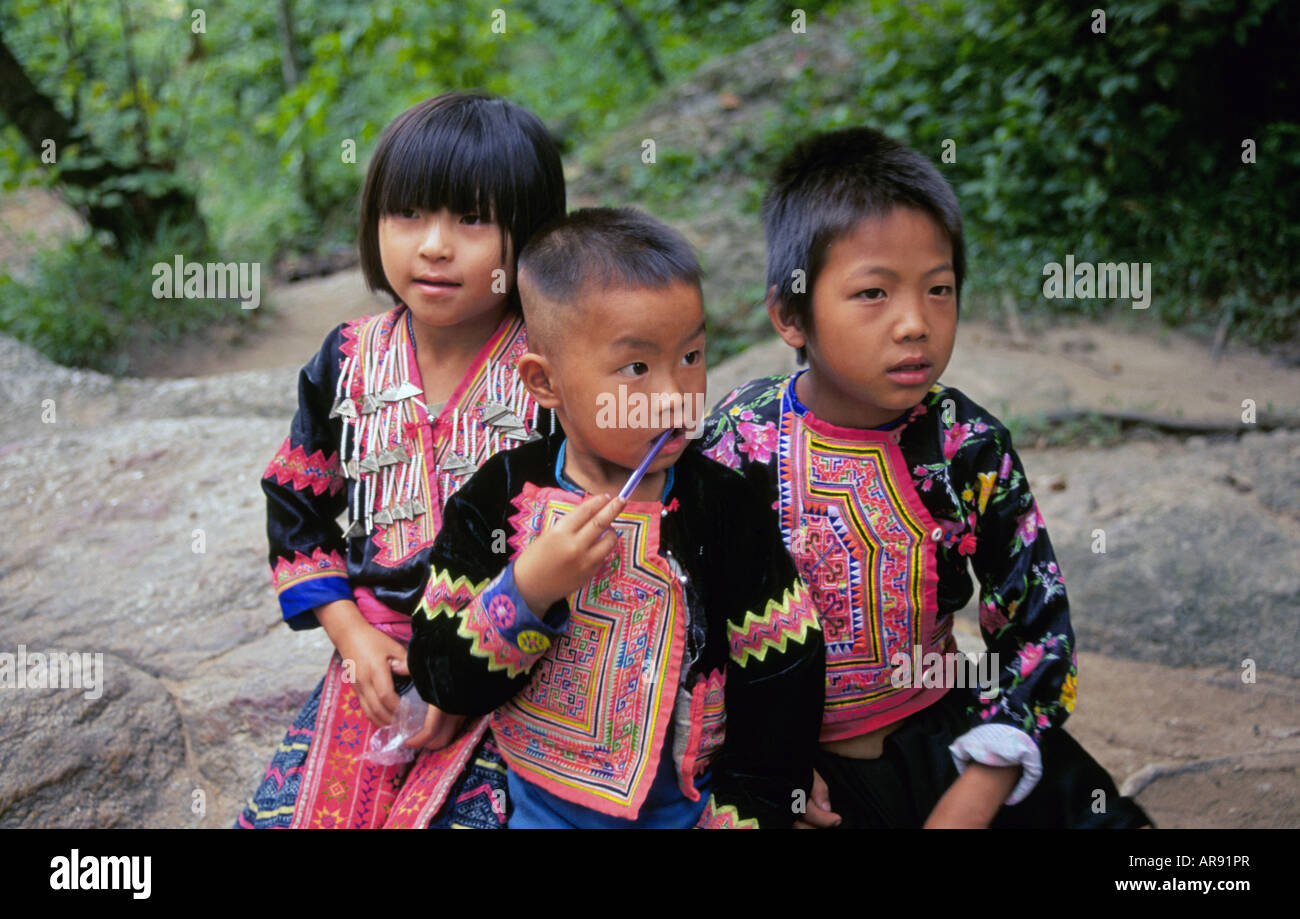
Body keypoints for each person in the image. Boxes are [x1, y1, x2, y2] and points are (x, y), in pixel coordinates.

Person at [698, 126, 1152, 828]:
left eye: (939, 289)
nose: (916, 322)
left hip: (947, 737)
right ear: (791, 314)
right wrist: (758, 756)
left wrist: (982, 782)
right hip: (795, 771)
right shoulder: (739, 437)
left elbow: (1035, 623)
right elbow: (693, 611)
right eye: (873, 293)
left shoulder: (968, 446)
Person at [406, 207, 825, 827]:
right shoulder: (496, 497)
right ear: (544, 382)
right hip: (539, 809)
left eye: (692, 355)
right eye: (636, 368)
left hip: (693, 806)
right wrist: (528, 589)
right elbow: (442, 678)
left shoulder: (725, 505)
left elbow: (784, 667)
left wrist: (753, 803)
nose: (676, 395)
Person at [235, 90, 565, 829]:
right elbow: (296, 504)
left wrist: (469, 673)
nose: (434, 246)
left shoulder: (554, 369)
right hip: (378, 657)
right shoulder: (347, 360)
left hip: (517, 662)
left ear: (533, 229)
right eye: (407, 214)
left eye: (473, 219)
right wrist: (350, 636)